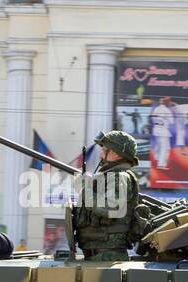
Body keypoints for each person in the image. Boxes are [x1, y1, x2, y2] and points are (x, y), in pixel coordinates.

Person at [74, 130, 147, 260]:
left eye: (104, 150)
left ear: (117, 154)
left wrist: (85, 191)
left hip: (108, 256)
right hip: (100, 254)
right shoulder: (110, 176)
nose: (101, 154)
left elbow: (112, 208)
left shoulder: (120, 177)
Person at [149, 98, 175, 170]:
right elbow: (171, 121)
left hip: (157, 129)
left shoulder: (156, 109)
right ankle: (161, 164)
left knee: (159, 146)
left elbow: (152, 118)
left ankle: (157, 158)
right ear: (166, 103)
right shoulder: (167, 110)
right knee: (165, 148)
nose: (170, 104)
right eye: (169, 102)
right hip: (163, 131)